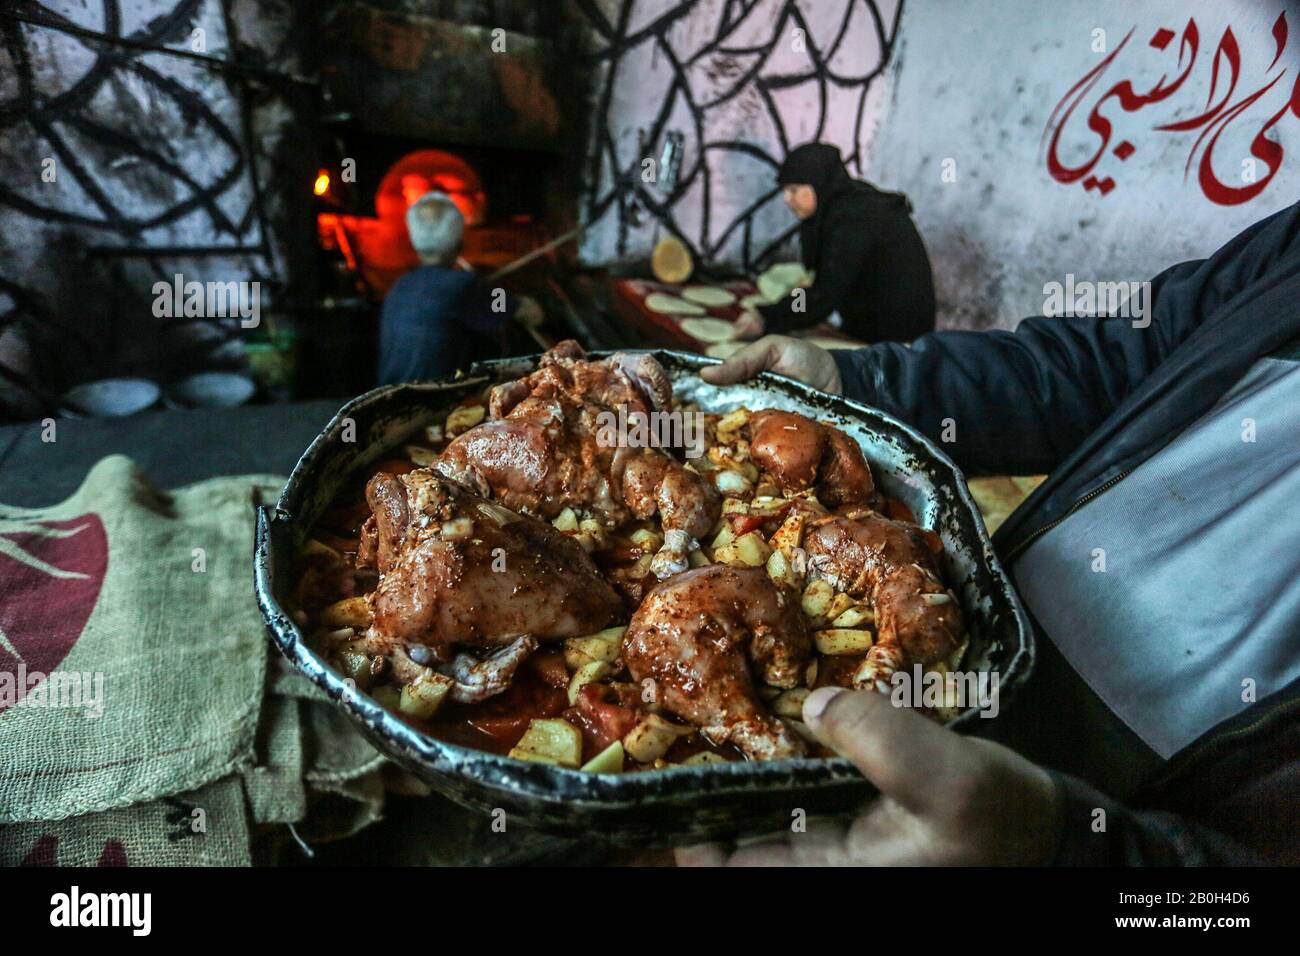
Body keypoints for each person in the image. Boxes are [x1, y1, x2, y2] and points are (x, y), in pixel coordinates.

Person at [687, 200, 1300, 865]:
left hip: (1153, 797)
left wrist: (1062, 850)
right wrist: (862, 389)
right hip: (979, 636)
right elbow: (1116, 358)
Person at [732, 142, 935, 344]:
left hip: (898, 339)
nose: (787, 199)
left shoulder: (855, 218)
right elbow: (819, 287)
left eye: (794, 190)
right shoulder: (839, 205)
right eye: (785, 190)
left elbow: (822, 296)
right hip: (869, 322)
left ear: (818, 184)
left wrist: (766, 317)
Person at [377, 192, 542, 384]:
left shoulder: (401, 284)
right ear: (459, 243)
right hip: (431, 401)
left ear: (414, 242)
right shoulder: (463, 285)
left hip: (387, 395)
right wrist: (516, 299)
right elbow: (532, 314)